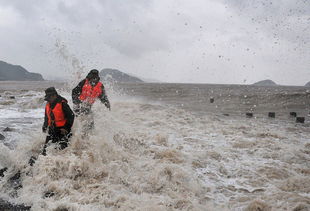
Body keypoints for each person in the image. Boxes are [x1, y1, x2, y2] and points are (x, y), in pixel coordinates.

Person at [40, 87, 75, 156]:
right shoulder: (48, 104)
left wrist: (66, 128)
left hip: (63, 131)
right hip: (52, 130)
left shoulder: (62, 104)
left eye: (49, 98)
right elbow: (47, 117)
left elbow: (71, 116)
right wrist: (45, 126)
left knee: (62, 151)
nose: (48, 100)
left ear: (54, 96)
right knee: (45, 150)